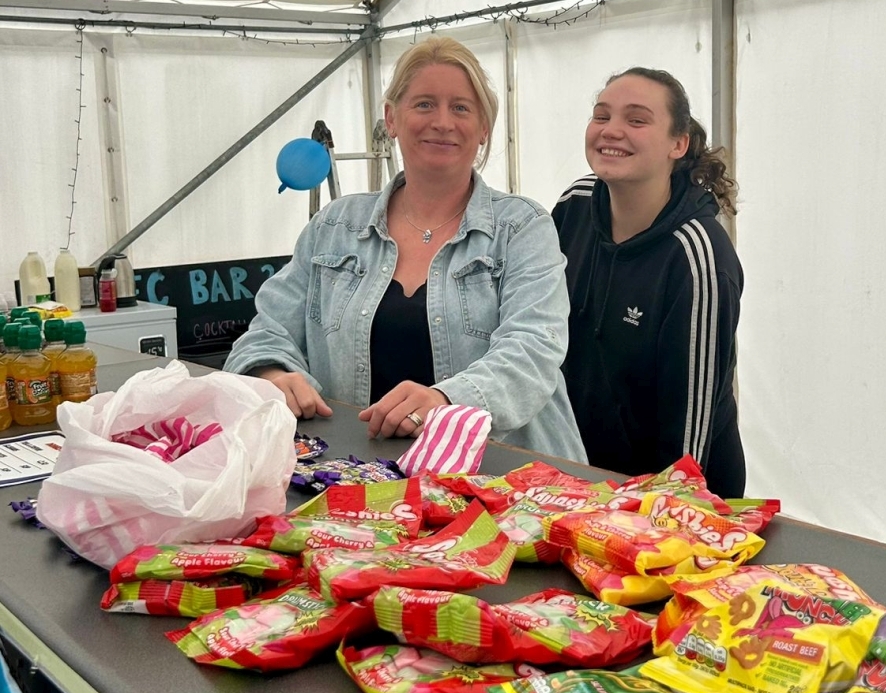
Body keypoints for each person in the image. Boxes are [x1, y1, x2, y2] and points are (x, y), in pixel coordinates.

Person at [226, 36, 586, 461]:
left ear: (484, 127)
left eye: (461, 108)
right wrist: (269, 371)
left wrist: (447, 401)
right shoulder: (335, 225)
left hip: (503, 478)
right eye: (424, 104)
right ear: (391, 118)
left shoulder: (522, 227)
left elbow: (533, 349)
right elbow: (269, 329)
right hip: (357, 478)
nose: (442, 122)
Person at [552, 67, 745, 496]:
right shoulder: (573, 206)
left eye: (636, 120)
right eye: (601, 116)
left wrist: (653, 516)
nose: (612, 131)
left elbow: (688, 438)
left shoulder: (698, 256)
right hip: (580, 478)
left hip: (672, 499)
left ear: (679, 144)